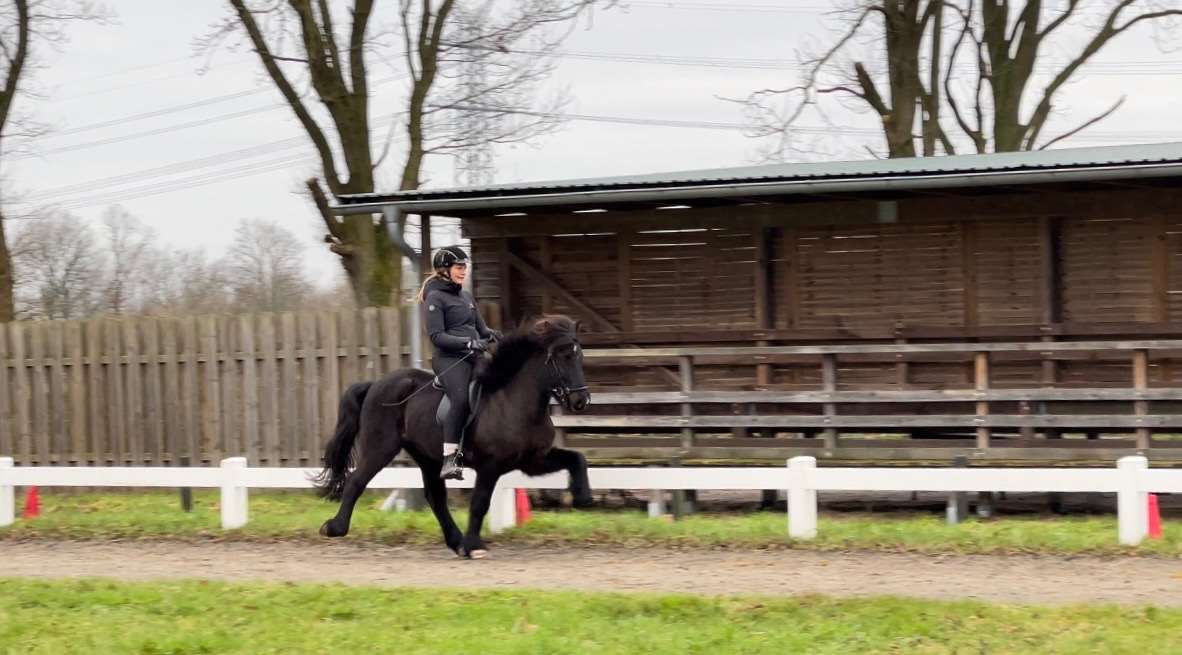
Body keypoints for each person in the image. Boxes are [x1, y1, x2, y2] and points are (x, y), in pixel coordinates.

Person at [418, 245, 501, 480]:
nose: (463, 271)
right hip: (449, 360)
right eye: (458, 267)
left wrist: (495, 335)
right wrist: (468, 343)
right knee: (461, 399)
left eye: (465, 267)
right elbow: (437, 336)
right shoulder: (435, 298)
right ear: (444, 270)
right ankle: (449, 458)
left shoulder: (466, 297)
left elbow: (482, 330)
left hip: (474, 357)